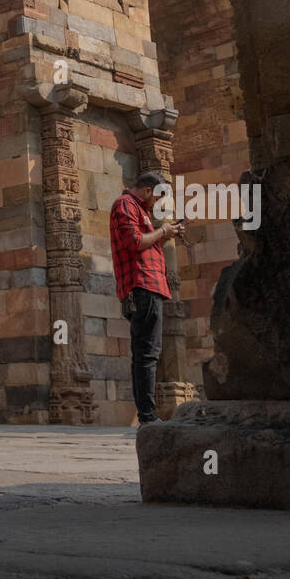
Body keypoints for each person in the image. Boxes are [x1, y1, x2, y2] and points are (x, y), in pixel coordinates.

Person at [109, 171, 184, 427]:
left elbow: (146, 246)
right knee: (147, 354)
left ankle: (147, 415)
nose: (156, 205)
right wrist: (162, 230)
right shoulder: (125, 204)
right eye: (157, 199)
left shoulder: (138, 209)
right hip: (141, 285)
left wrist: (164, 235)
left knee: (147, 352)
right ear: (148, 190)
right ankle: (148, 417)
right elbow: (135, 242)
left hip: (149, 285)